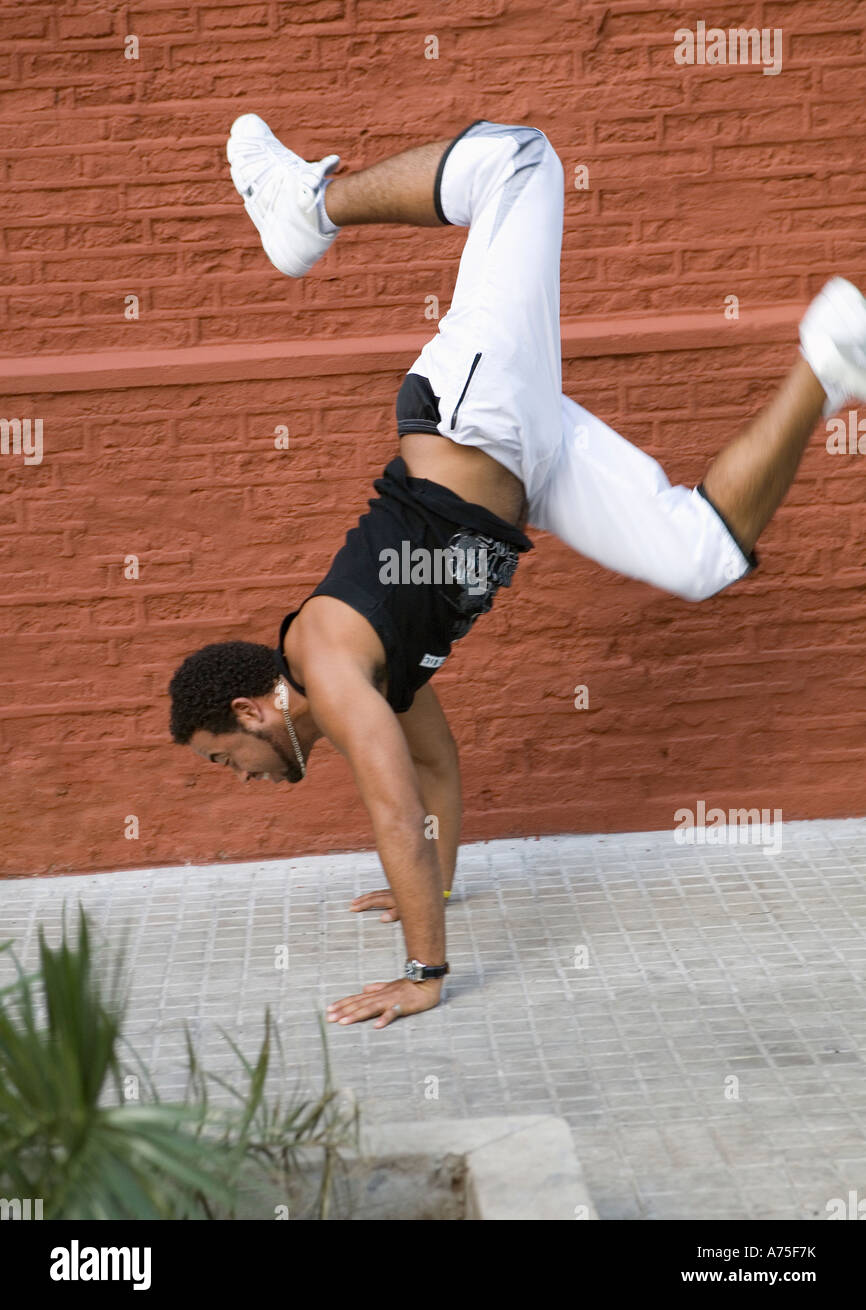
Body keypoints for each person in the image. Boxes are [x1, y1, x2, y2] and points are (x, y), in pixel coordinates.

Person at [168, 115, 866, 1028]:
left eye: (229, 759)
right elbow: (439, 775)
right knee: (702, 556)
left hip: (471, 416)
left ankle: (307, 204)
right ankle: (829, 361)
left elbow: (393, 807)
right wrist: (436, 889)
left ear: (255, 711)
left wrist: (424, 969)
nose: (244, 778)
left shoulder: (330, 667)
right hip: (526, 464)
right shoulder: (374, 669)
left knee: (520, 160)